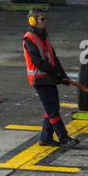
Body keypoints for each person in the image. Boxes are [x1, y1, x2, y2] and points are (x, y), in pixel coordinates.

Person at [22, 9, 76, 148]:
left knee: (53, 108)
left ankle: (45, 138)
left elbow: (53, 58)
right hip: (40, 79)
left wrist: (62, 75)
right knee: (52, 109)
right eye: (42, 19)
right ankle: (64, 138)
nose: (45, 22)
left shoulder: (44, 36)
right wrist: (55, 74)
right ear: (32, 21)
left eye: (45, 19)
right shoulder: (29, 39)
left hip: (48, 78)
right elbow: (38, 62)